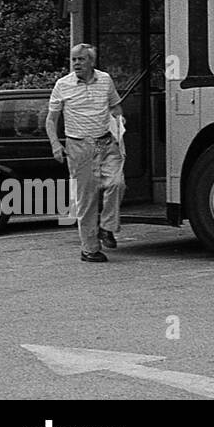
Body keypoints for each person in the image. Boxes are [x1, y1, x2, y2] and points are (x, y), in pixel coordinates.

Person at [45, 44, 125, 263]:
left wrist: (119, 125)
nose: (76, 64)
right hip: (79, 146)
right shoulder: (63, 85)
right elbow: (51, 120)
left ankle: (107, 228)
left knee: (117, 183)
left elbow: (115, 108)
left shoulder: (105, 80)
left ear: (92, 62)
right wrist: (55, 145)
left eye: (81, 59)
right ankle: (89, 249)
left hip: (105, 143)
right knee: (87, 199)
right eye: (73, 60)